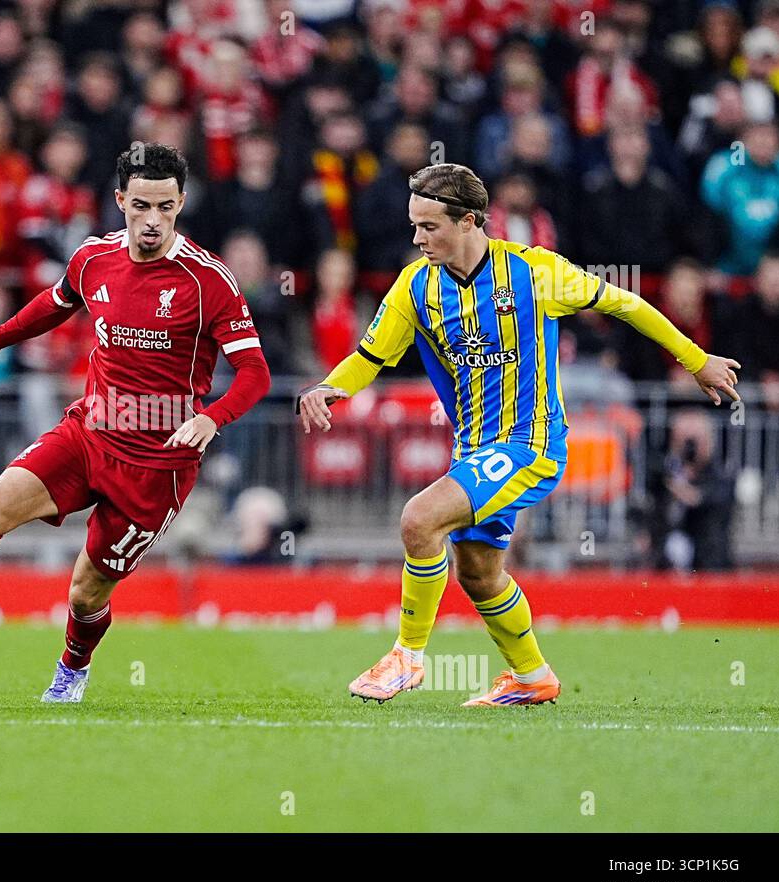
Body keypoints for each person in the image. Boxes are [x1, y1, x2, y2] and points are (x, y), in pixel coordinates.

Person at [0, 143, 271, 703]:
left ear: (180, 203)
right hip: (88, 432)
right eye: (141, 206)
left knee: (87, 592)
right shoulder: (93, 259)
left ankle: (71, 670)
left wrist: (212, 420)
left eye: (165, 207)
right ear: (120, 201)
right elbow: (55, 303)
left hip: (157, 465)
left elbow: (255, 373)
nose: (153, 220)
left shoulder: (209, 281)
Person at [297, 163, 741, 707]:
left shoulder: (535, 272)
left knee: (419, 518)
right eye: (414, 225)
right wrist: (329, 388)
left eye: (429, 226)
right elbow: (369, 358)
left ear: (469, 222)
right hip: (475, 450)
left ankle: (406, 656)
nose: (417, 238)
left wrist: (697, 362)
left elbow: (625, 304)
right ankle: (532, 677)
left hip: (528, 445)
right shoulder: (416, 286)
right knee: (479, 574)